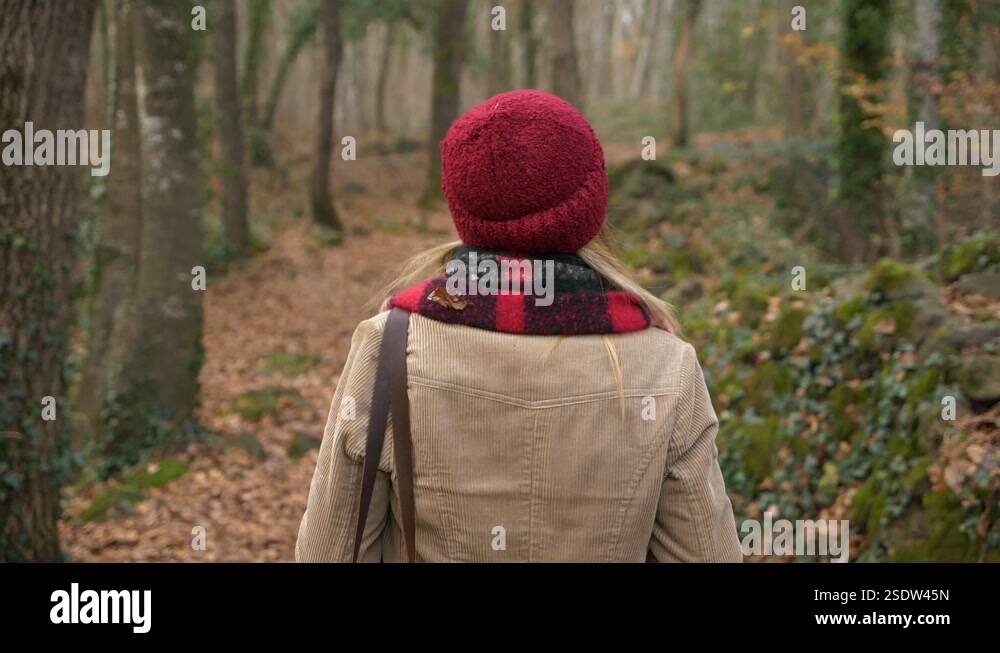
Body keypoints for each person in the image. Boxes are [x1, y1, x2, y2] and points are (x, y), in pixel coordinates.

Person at [295, 90, 741, 562]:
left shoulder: (389, 347)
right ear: (591, 207)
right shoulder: (665, 368)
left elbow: (328, 553)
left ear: (463, 209)